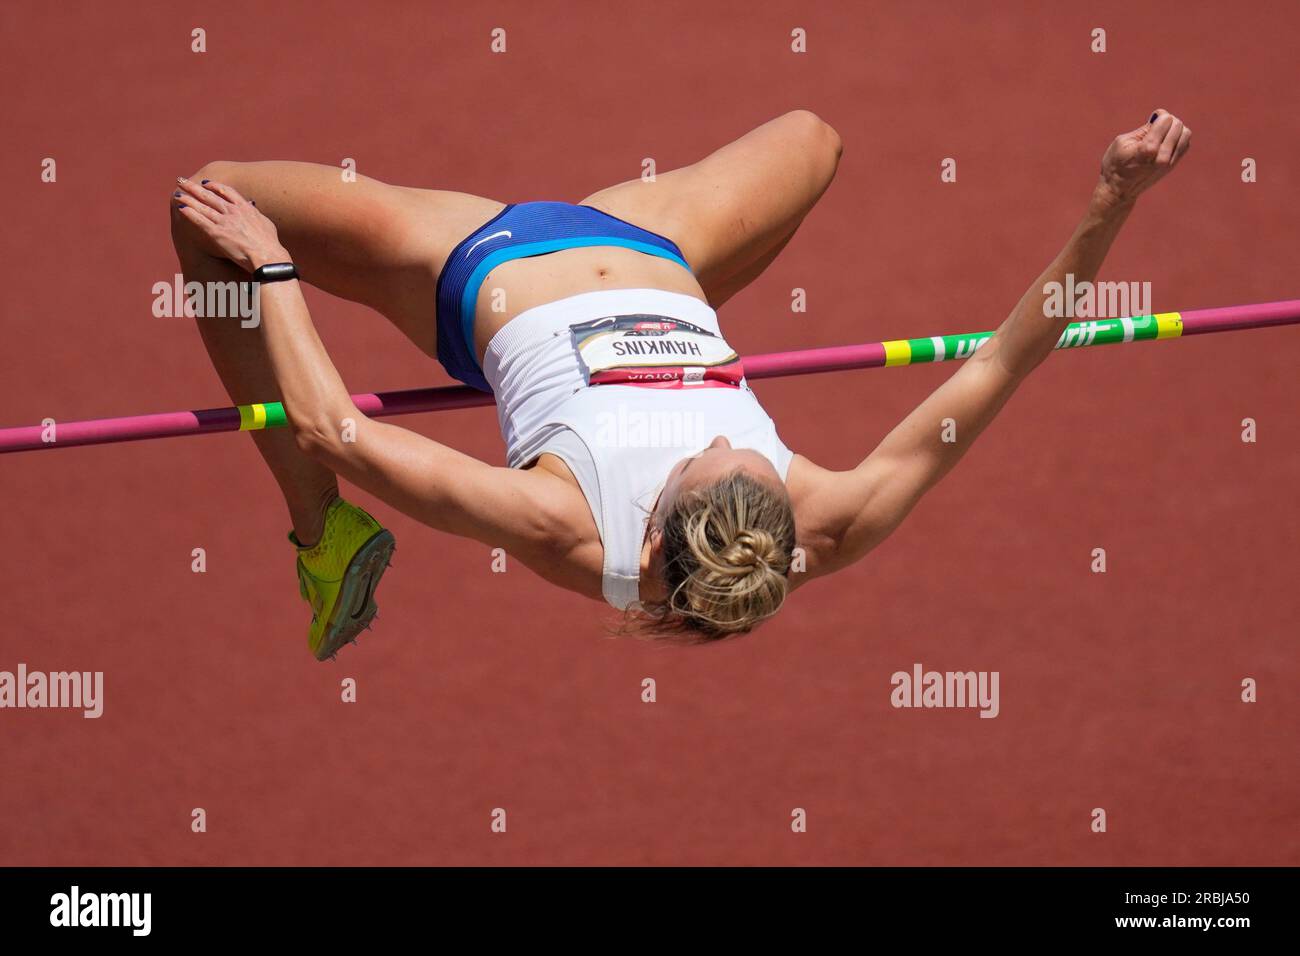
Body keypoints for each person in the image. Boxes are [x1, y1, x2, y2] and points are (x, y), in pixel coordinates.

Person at [169, 108, 1190, 659]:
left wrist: (271, 266)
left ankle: (321, 539)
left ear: (652, 534)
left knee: (209, 199)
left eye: (700, 449)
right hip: (655, 248)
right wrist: (1111, 200)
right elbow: (1008, 353)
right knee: (813, 137)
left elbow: (336, 429)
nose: (702, 423)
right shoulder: (823, 517)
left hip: (474, 264)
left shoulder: (574, 529)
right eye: (728, 428)